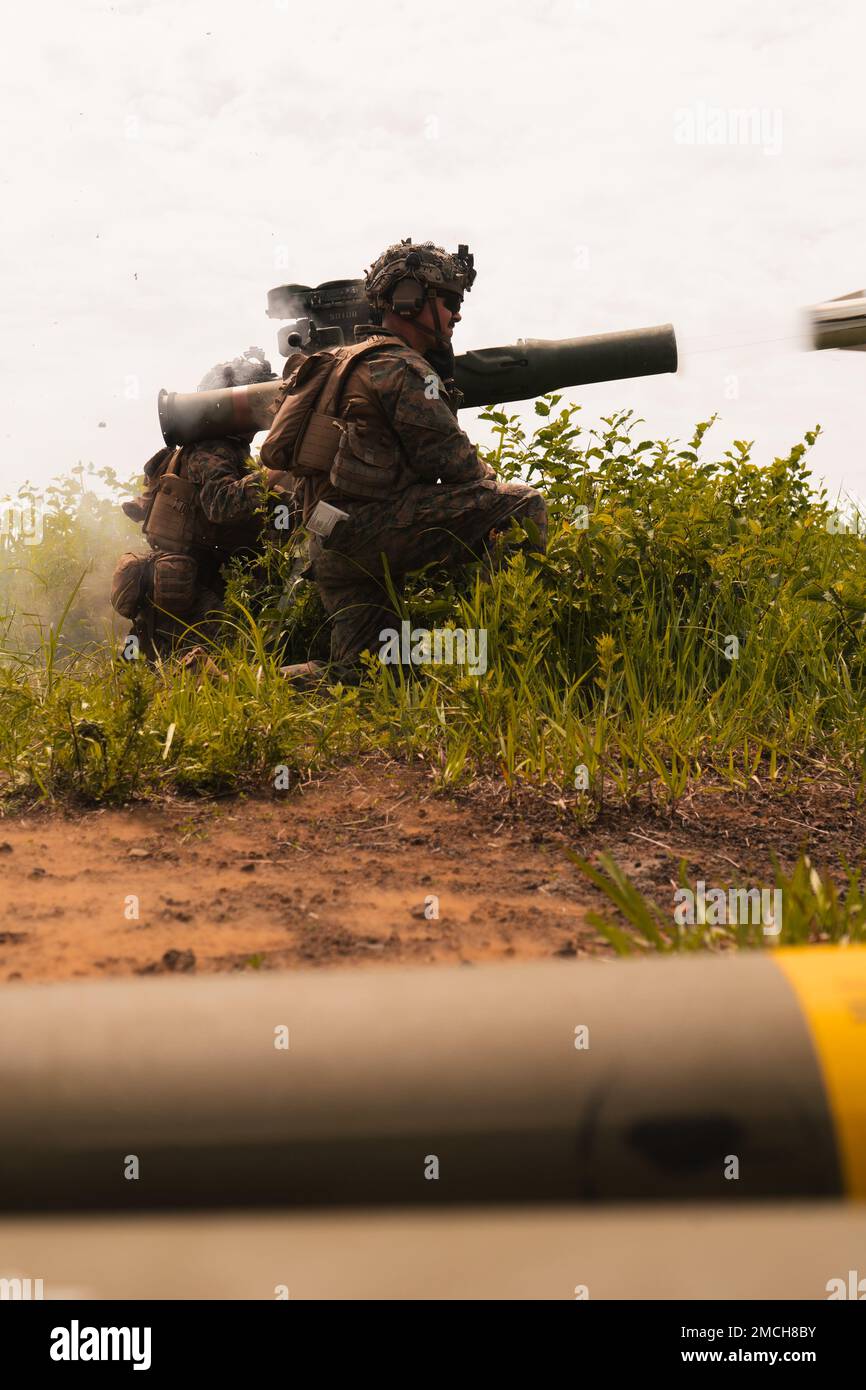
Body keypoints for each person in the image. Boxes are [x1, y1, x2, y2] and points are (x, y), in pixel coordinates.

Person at [261, 240, 548, 687]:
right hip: (366, 531)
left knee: (368, 675)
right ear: (410, 300)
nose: (457, 314)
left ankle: (242, 683)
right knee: (520, 505)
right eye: (449, 300)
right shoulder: (400, 369)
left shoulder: (332, 364)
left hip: (328, 541)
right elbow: (460, 469)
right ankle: (509, 652)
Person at [111, 348, 295, 661]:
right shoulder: (212, 449)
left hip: (201, 583)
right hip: (198, 588)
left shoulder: (221, 450)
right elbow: (221, 505)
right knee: (232, 662)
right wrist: (269, 476)